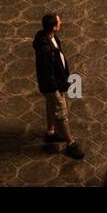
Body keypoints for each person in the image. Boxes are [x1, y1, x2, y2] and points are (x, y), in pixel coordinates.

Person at [33, 14, 84, 159]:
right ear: (54, 27)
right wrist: (56, 87)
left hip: (54, 83)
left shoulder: (50, 37)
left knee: (51, 105)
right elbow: (48, 71)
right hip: (52, 86)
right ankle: (70, 143)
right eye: (58, 21)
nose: (61, 22)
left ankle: (51, 132)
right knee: (61, 111)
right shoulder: (46, 48)